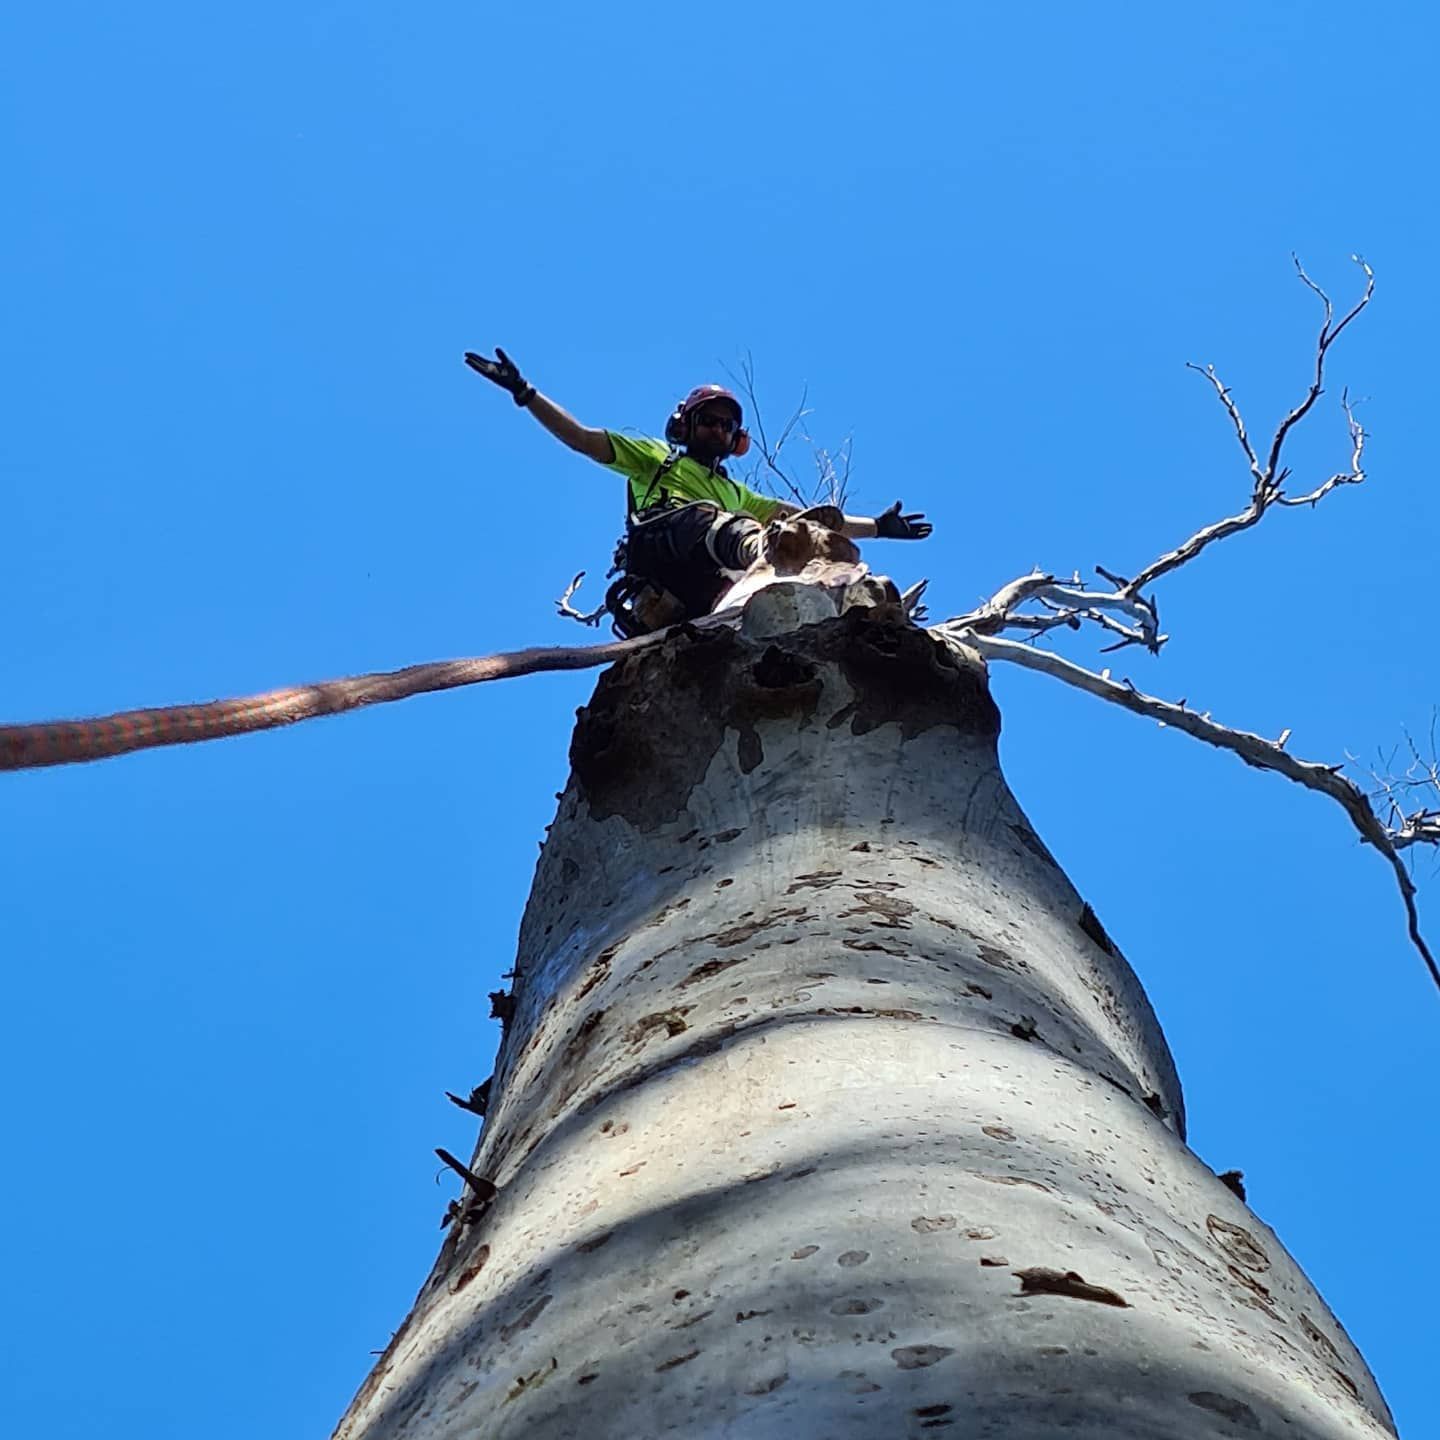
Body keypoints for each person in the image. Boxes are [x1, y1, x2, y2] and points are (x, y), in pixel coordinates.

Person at [465, 347, 932, 634]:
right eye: (707, 419)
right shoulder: (654, 458)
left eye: (727, 425)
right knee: (721, 522)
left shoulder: (738, 494)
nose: (717, 429)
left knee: (766, 578)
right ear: (684, 425)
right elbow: (583, 440)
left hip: (702, 588)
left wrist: (879, 528)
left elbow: (805, 520)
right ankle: (763, 556)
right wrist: (526, 394)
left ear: (736, 440)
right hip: (665, 549)